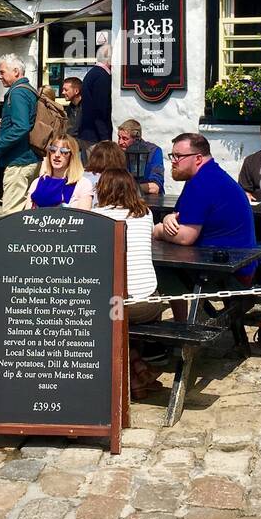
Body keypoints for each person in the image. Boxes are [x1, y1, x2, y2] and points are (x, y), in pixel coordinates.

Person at [154, 133, 258, 316]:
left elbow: (186, 236)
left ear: (198, 158)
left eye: (178, 156)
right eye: (173, 156)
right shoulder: (207, 175)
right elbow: (179, 218)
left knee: (160, 265)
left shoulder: (202, 183)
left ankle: (182, 329)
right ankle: (190, 322)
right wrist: (168, 218)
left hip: (230, 272)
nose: (173, 161)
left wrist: (158, 230)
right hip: (231, 264)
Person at [91, 169, 164, 399]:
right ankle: (137, 370)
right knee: (129, 315)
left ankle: (133, 375)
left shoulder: (95, 217)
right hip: (148, 303)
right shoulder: (145, 214)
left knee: (114, 314)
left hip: (114, 305)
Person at [0, 53, 38, 214]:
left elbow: (22, 127)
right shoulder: (27, 90)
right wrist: (4, 124)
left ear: (16, 71)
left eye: (2, 72)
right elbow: (25, 121)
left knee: (12, 214)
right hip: (28, 158)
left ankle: (12, 240)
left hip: (19, 161)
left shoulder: (17, 93)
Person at [29, 135, 92, 209]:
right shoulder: (36, 183)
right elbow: (26, 217)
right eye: (53, 150)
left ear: (72, 156)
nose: (57, 155)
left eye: (64, 152)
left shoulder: (83, 184)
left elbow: (84, 218)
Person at [76, 43, 113, 150]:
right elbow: (100, 109)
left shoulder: (92, 73)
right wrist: (105, 137)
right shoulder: (102, 76)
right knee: (98, 166)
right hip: (96, 137)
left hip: (88, 133)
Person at [116, 120, 164, 196]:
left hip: (150, 200)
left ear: (136, 139)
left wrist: (127, 188)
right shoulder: (118, 152)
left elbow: (155, 187)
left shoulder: (153, 151)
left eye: (125, 139)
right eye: (119, 137)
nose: (120, 142)